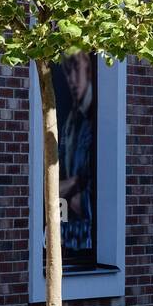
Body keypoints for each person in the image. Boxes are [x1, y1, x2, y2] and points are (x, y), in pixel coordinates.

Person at [57, 52, 94, 254]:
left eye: (75, 69)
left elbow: (86, 201)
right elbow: (58, 182)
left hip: (87, 237)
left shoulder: (96, 116)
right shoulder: (71, 122)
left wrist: (71, 188)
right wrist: (74, 184)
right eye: (67, 71)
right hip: (73, 236)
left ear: (88, 66)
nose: (71, 79)